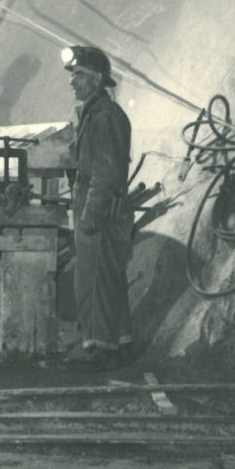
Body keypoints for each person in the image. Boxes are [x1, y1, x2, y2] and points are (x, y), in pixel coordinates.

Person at [61, 45, 133, 365]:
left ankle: (100, 350)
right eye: (73, 75)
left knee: (96, 281)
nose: (73, 82)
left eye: (79, 75)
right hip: (95, 207)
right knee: (105, 279)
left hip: (101, 213)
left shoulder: (106, 117)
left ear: (98, 78)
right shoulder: (94, 114)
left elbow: (107, 171)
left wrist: (90, 213)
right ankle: (117, 342)